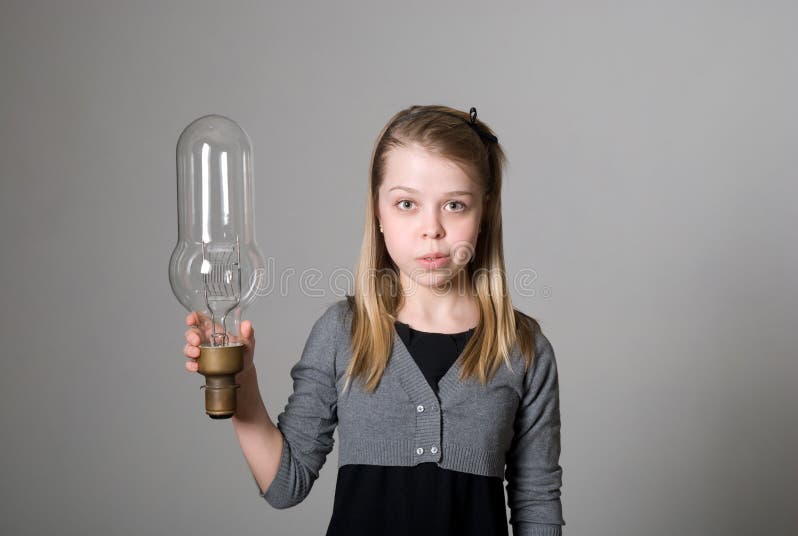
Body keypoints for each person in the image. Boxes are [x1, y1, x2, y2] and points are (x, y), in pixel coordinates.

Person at [182, 105, 566, 535]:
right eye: (407, 203)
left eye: (455, 205)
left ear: (484, 212)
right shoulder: (342, 333)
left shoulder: (522, 348)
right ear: (378, 211)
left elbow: (537, 503)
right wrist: (243, 383)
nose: (432, 228)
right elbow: (285, 485)